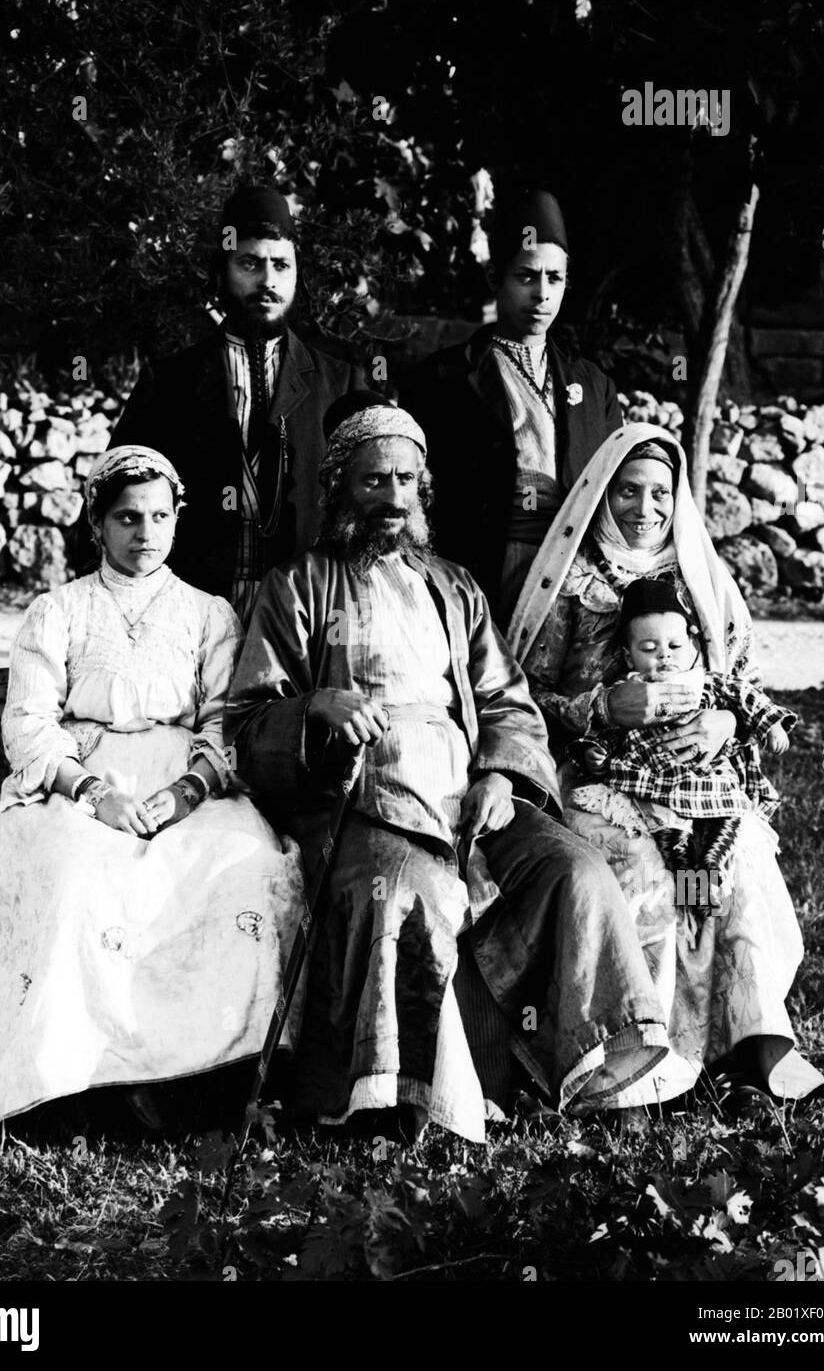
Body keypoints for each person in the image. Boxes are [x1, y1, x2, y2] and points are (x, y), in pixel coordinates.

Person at [224, 392, 670, 1143]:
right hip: (366, 799)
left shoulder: (454, 587)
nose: (391, 499)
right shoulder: (297, 586)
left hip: (469, 793)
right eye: (372, 482)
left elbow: (505, 698)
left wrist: (502, 777)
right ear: (340, 490)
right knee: (409, 892)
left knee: (574, 869)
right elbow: (247, 724)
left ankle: (581, 1072)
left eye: (405, 481)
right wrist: (315, 710)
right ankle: (412, 1101)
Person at [0, 445, 307, 1134]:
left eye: (157, 515)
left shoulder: (209, 613)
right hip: (79, 781)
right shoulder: (56, 610)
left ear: (178, 520)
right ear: (96, 524)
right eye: (125, 517)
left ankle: (217, 1078)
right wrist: (93, 794)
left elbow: (226, 721)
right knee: (77, 875)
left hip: (190, 785)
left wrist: (186, 792)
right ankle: (78, 1081)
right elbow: (29, 723)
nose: (143, 532)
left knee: (246, 870)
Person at [507, 423, 824, 1107]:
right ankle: (655, 1060)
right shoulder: (569, 584)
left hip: (703, 782)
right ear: (600, 493)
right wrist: (600, 706)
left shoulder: (699, 576)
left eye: (659, 493)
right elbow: (520, 698)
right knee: (652, 881)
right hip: (603, 781)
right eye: (627, 490)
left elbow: (744, 678)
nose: (644, 508)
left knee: (734, 879)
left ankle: (753, 1049)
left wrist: (726, 718)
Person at [110, 185, 364, 621]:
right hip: (189, 609)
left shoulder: (339, 383)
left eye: (281, 265)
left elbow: (363, 509)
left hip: (304, 611)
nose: (268, 281)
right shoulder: (170, 382)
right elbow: (113, 495)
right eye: (250, 263)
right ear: (222, 270)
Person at [401, 188, 621, 625]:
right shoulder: (444, 379)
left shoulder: (593, 386)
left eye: (554, 279)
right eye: (526, 276)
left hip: (573, 573)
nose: (542, 294)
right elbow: (417, 495)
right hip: (477, 573)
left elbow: (613, 489)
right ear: (494, 279)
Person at [567, 577, 795, 925]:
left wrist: (770, 724)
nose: (665, 655)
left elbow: (746, 696)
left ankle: (712, 871)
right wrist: (595, 753)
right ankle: (694, 896)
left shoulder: (707, 682)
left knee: (723, 826)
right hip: (658, 784)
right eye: (649, 648)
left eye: (675, 644)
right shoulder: (629, 690)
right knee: (672, 843)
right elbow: (607, 731)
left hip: (710, 779)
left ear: (692, 645)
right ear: (629, 655)